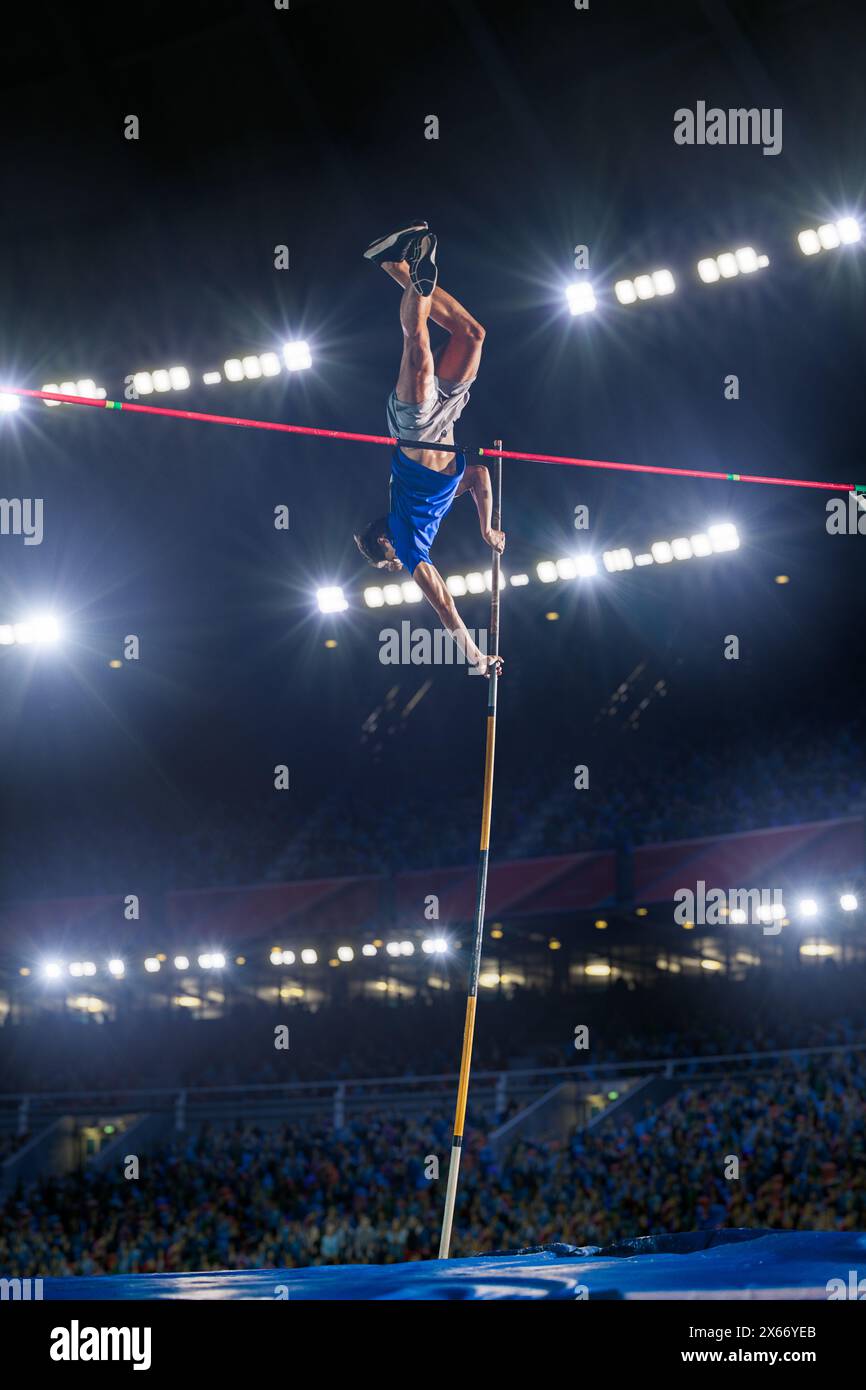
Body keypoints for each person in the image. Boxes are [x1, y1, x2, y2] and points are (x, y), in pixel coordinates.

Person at [355, 223, 504, 675]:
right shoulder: (432, 511)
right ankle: (396, 265)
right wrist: (487, 529)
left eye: (389, 562)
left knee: (416, 343)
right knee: (473, 334)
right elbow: (478, 478)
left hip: (415, 428)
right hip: (448, 418)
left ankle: (415, 270)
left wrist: (476, 658)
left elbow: (443, 605)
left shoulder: (407, 540)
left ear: (385, 543)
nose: (398, 565)